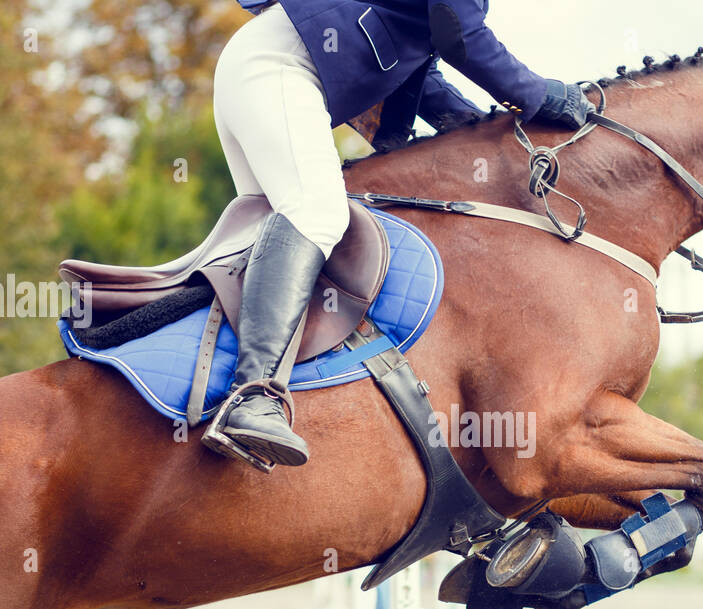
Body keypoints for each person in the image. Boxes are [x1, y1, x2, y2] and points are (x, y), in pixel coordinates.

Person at [206, 0, 594, 469]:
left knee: (280, 239)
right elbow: (460, 36)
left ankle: (216, 391)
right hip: (280, 66)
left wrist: (490, 131)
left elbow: (424, 78)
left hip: (261, 67)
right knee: (316, 214)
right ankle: (252, 397)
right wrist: (541, 95)